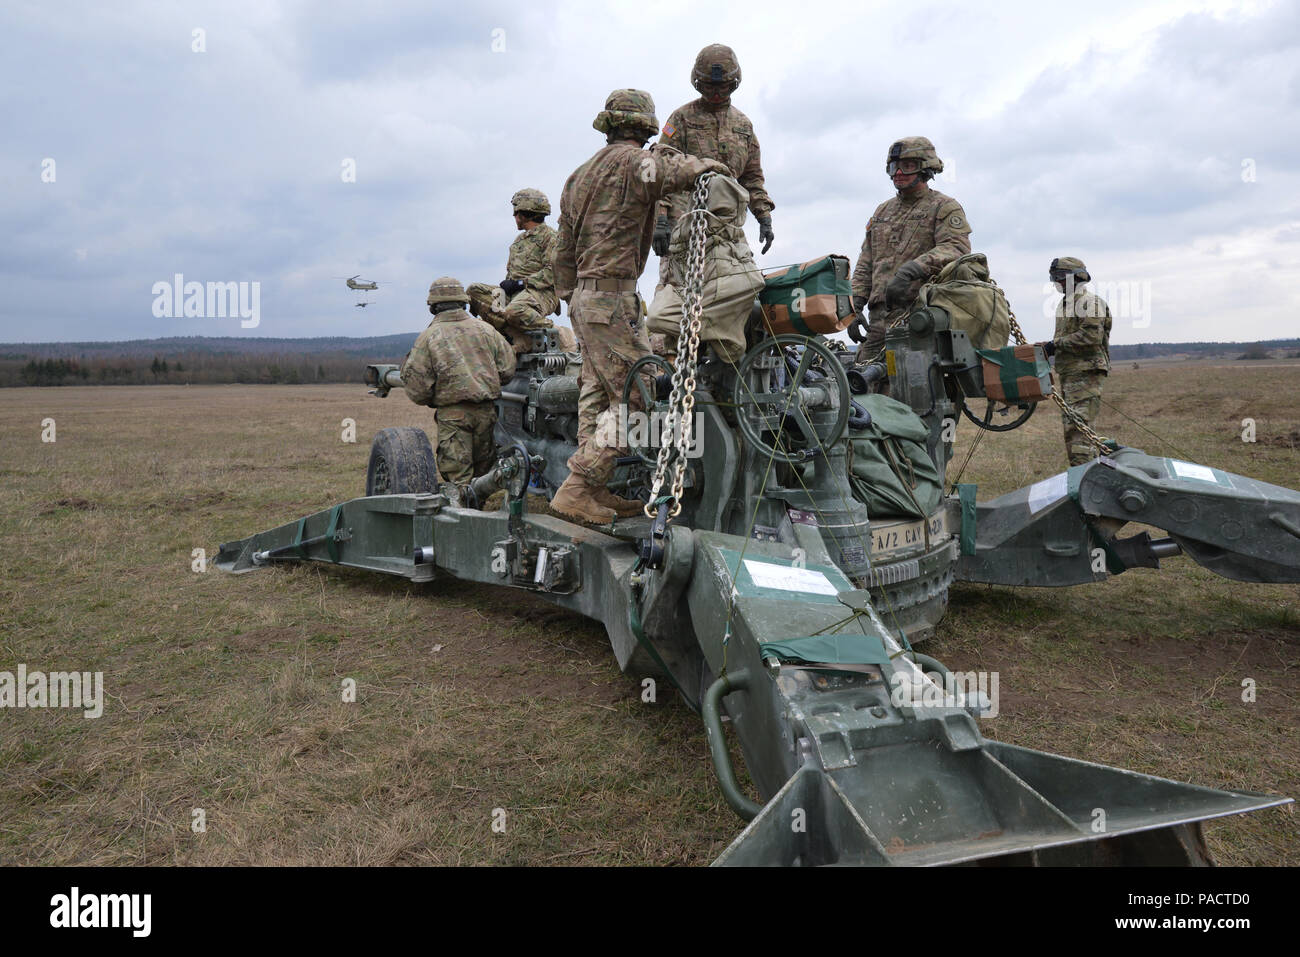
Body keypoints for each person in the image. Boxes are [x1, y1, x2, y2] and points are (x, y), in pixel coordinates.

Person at [552, 88, 728, 524]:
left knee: (595, 394)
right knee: (639, 401)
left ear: (609, 124)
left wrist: (570, 294)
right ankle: (575, 490)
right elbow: (667, 171)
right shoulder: (634, 162)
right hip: (612, 299)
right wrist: (706, 164)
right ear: (644, 127)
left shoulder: (578, 176)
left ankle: (596, 489)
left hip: (585, 299)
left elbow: (563, 249)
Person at [653, 43, 774, 287]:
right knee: (677, 289)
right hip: (685, 221)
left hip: (727, 225)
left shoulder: (743, 125)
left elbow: (752, 178)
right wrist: (661, 219)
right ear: (699, 83)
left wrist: (764, 217)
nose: (717, 92)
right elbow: (662, 169)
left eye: (723, 86)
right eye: (710, 86)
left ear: (734, 83)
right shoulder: (680, 119)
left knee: (738, 288)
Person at [851, 137, 971, 379]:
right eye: (893, 167)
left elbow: (956, 248)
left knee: (913, 389)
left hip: (919, 317)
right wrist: (853, 305)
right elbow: (866, 262)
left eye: (907, 166)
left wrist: (912, 270)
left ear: (925, 168)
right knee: (862, 386)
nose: (898, 173)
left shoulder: (944, 207)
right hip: (879, 321)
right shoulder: (882, 211)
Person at [402, 277, 516, 484]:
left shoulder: (428, 337)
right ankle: (478, 510)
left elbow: (417, 388)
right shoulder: (487, 330)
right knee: (483, 479)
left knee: (458, 480)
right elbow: (507, 370)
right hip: (486, 413)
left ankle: (464, 511)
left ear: (433, 307)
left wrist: (434, 397)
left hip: (453, 417)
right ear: (463, 302)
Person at [467, 189, 560, 355]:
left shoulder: (550, 237)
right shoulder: (519, 241)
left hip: (541, 293)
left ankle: (555, 331)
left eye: (516, 211)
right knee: (475, 291)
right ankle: (517, 334)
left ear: (524, 213)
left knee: (513, 311)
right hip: (515, 294)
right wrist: (507, 286)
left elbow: (552, 273)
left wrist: (519, 283)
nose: (514, 216)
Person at [1041, 257, 1112, 466]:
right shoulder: (1067, 305)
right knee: (1074, 430)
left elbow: (1091, 337)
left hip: (1086, 373)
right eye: (1055, 278)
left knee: (1079, 432)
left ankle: (1084, 479)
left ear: (1076, 277)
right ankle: (1091, 472)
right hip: (1071, 373)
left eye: (1061, 278)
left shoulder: (1090, 303)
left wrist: (1055, 345)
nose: (1058, 283)